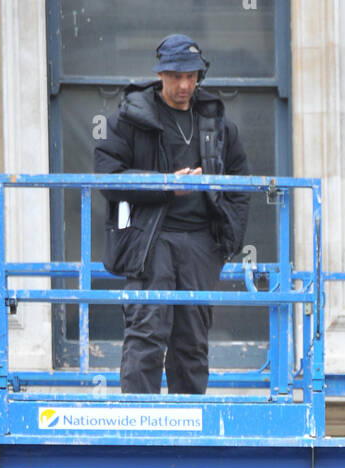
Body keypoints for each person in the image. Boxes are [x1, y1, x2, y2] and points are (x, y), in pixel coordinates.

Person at [94, 33, 251, 395]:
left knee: (192, 342)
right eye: (176, 76)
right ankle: (140, 426)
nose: (184, 85)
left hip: (200, 244)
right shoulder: (130, 117)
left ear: (199, 76)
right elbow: (106, 176)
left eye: (191, 76)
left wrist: (228, 241)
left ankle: (189, 431)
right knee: (146, 333)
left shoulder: (217, 122)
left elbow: (243, 182)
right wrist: (165, 185)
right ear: (161, 74)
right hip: (151, 239)